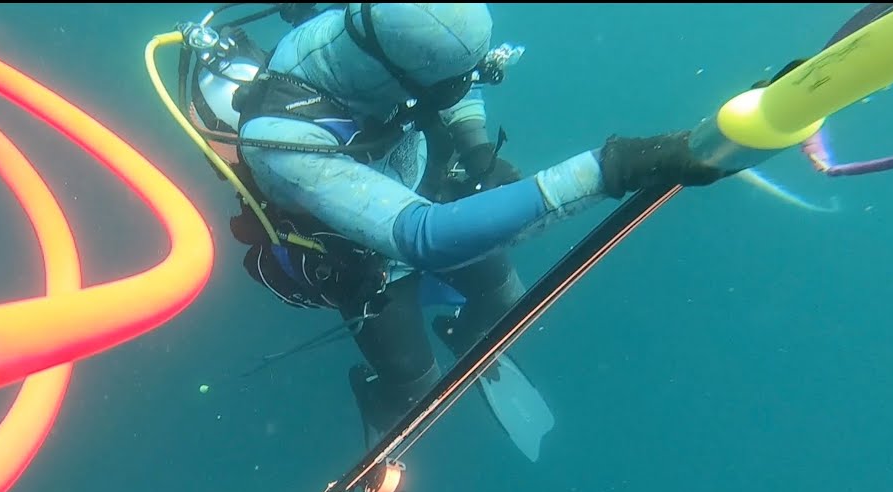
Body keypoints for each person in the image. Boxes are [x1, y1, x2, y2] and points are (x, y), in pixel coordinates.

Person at [222, 3, 726, 457]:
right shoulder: (283, 140)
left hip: (416, 192)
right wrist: (606, 169)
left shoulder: (381, 42)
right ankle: (377, 397)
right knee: (417, 389)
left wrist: (476, 148)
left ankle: (461, 332)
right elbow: (421, 236)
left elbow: (453, 81)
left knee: (507, 299)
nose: (462, 87)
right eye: (448, 83)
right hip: (361, 251)